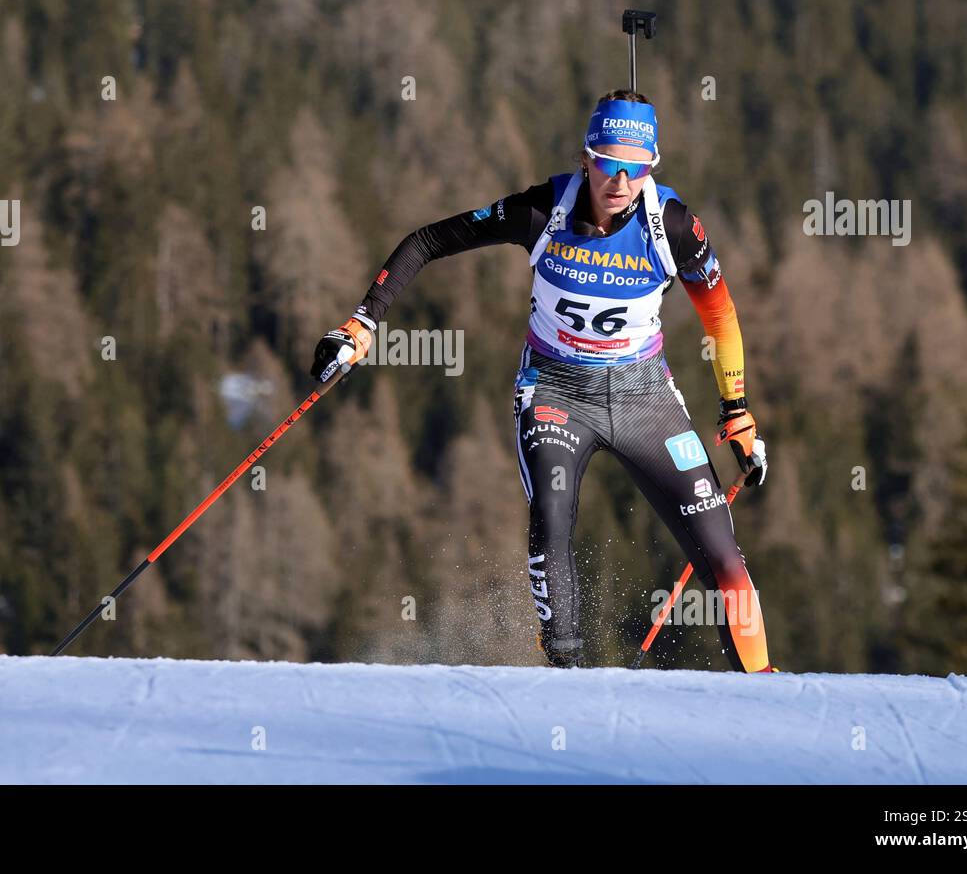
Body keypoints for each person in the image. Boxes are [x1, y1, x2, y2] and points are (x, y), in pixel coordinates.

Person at [310, 90, 775, 672]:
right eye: (608, 162)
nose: (621, 180)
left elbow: (721, 316)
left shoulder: (673, 226)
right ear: (586, 158)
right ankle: (567, 677)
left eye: (636, 167)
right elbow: (427, 241)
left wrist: (737, 410)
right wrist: (363, 321)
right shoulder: (541, 211)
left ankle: (764, 691)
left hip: (644, 397)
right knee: (553, 516)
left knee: (723, 553)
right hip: (556, 392)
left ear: (652, 167)